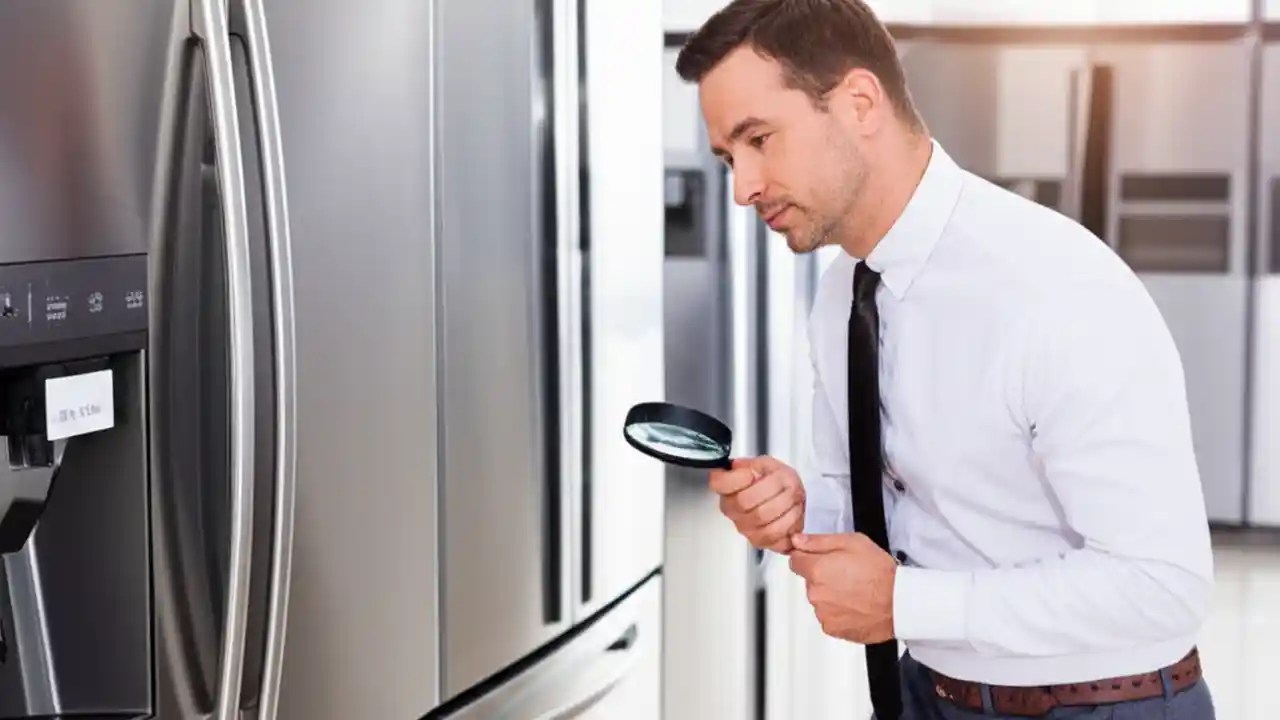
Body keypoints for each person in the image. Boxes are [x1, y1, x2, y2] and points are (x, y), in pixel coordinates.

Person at [675, 1, 1217, 718]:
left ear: (860, 102)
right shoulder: (844, 293)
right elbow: (880, 505)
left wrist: (906, 601)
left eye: (759, 140)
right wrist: (803, 509)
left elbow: (1160, 584)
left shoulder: (1055, 286)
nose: (743, 187)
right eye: (727, 159)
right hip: (924, 693)